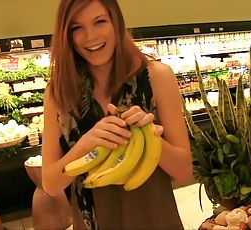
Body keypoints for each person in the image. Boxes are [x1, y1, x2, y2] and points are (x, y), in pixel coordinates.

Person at [41, 0, 193, 229]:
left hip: (154, 218)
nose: (90, 36)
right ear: (67, 35)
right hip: (91, 221)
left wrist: (151, 138)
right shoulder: (58, 92)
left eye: (100, 21)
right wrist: (86, 143)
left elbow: (184, 173)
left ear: (116, 23)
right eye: (77, 27)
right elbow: (50, 184)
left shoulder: (157, 78)